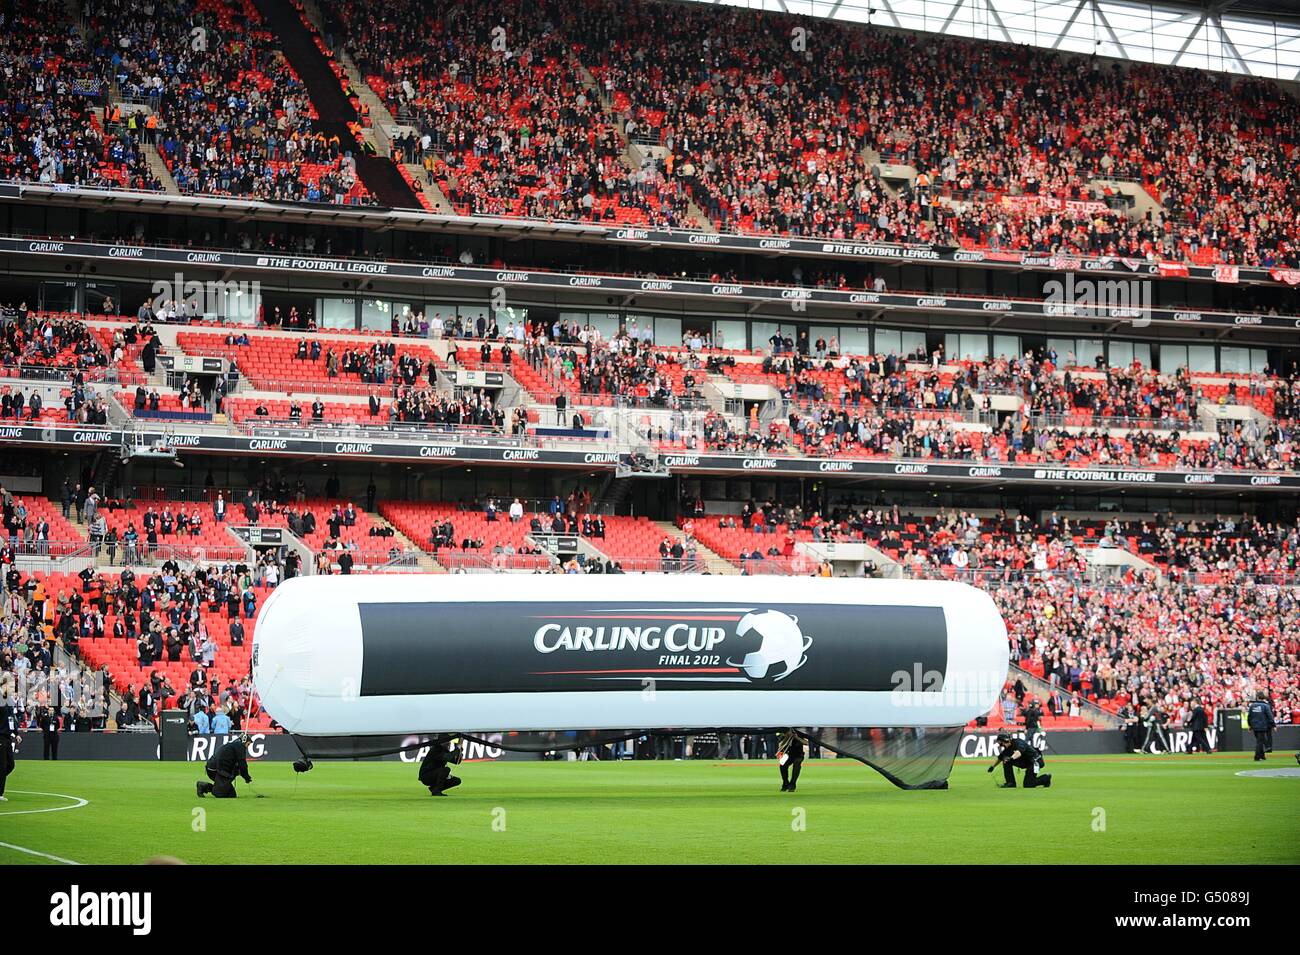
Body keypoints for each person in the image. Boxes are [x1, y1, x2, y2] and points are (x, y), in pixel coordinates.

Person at [196, 732, 253, 798]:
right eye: (248, 744)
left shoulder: (233, 745)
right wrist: (247, 778)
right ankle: (204, 786)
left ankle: (214, 788)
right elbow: (243, 765)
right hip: (217, 770)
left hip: (214, 768)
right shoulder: (240, 747)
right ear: (244, 741)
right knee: (220, 794)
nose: (247, 747)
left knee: (231, 795)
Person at [0, 676, 18, 801]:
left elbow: (11, 719)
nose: (12, 689)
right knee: (1, 765)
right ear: (4, 685)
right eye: (11, 686)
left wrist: (15, 733)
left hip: (7, 737)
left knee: (10, 764)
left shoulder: (9, 700)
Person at [1247, 691, 1275, 762]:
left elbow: (1249, 716)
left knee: (1259, 741)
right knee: (1260, 742)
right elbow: (1270, 716)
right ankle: (1257, 757)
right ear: (1263, 697)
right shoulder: (1266, 706)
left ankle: (1262, 756)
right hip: (1262, 726)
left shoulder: (1252, 706)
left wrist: (1250, 725)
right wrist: (1273, 725)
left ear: (1257, 697)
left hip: (1254, 726)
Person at [777, 728, 805, 792]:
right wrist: (786, 738)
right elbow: (780, 745)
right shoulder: (784, 736)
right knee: (782, 765)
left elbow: (806, 743)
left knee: (797, 764)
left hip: (799, 755)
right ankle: (785, 783)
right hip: (789, 755)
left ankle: (792, 784)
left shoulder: (799, 734)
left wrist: (796, 737)